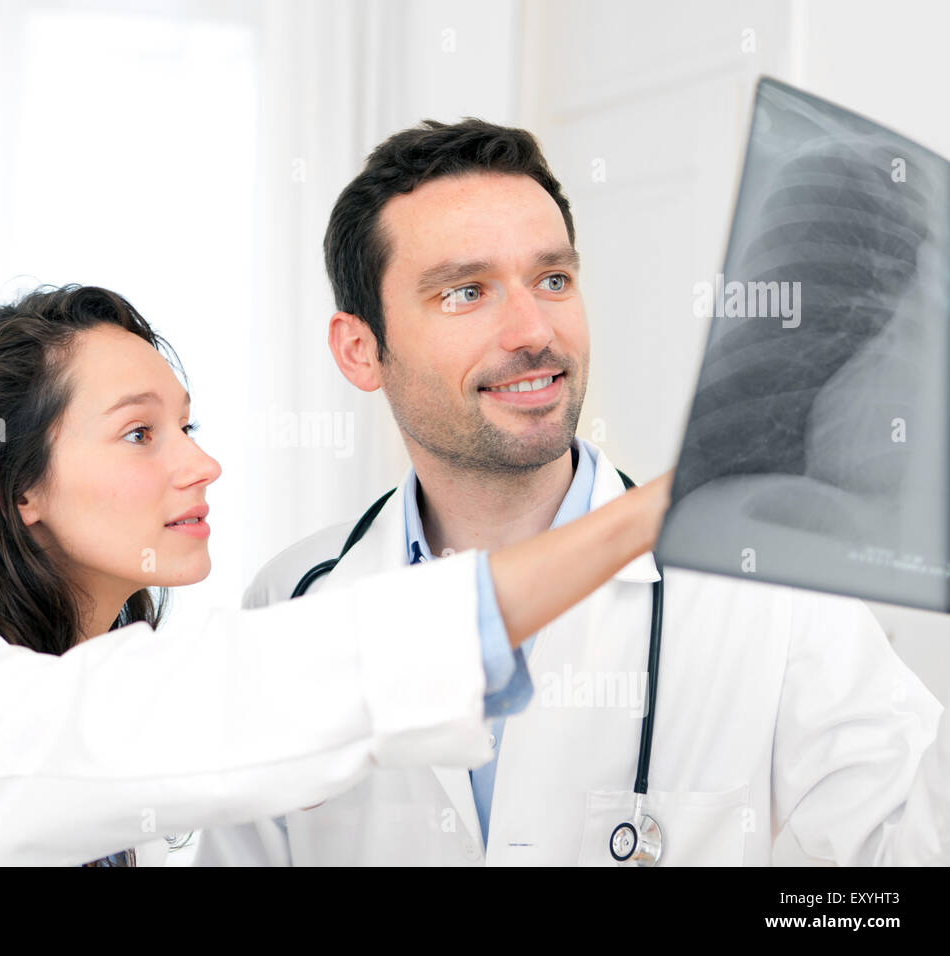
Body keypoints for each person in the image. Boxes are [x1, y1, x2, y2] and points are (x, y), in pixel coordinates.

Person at [194, 119, 950, 866]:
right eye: (465, 292)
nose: (533, 330)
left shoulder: (770, 590)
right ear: (361, 351)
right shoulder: (295, 601)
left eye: (552, 280)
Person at [0, 284, 671, 866]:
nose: (199, 465)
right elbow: (191, 708)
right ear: (19, 482)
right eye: (141, 433)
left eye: (188, 426)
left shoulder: (78, 675)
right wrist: (645, 516)